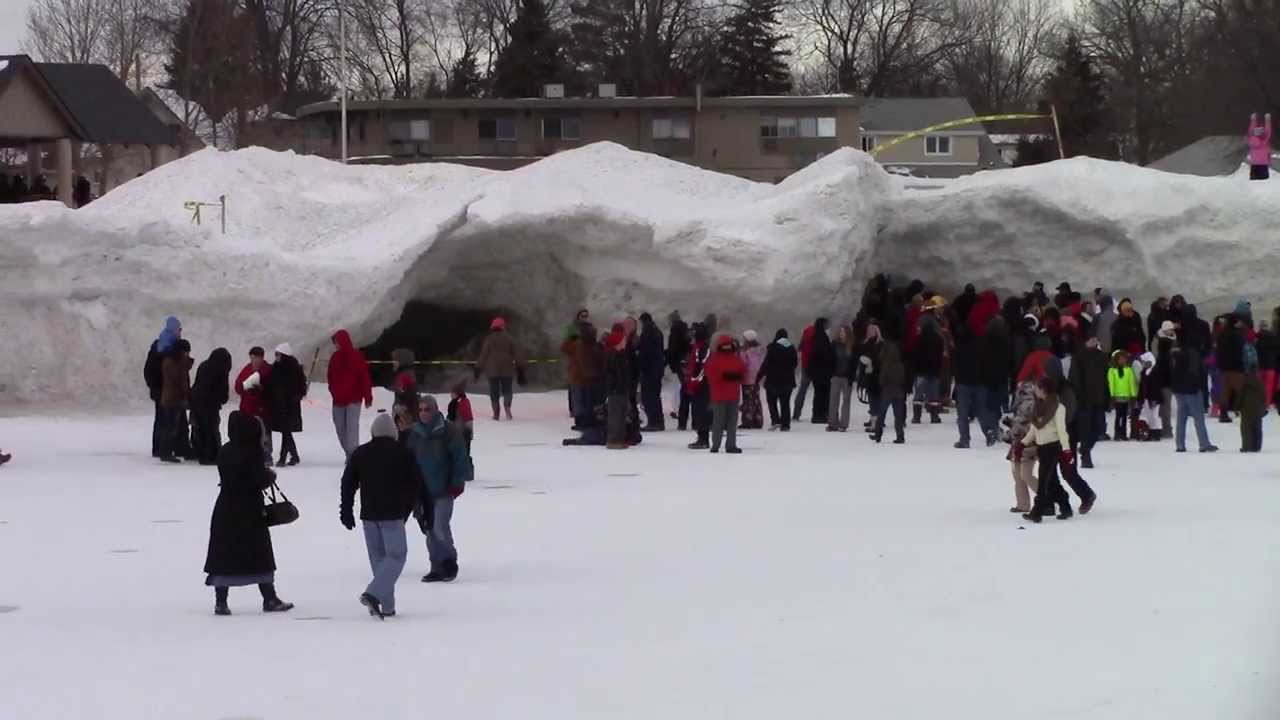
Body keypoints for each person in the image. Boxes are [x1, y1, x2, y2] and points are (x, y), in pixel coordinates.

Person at [203, 411, 294, 616]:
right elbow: (259, 478)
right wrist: (270, 475)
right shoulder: (253, 452)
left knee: (223, 554)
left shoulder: (225, 450)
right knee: (259, 553)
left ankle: (221, 602)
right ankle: (269, 598)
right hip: (249, 509)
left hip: (225, 508)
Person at [340, 412, 421, 619]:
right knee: (396, 556)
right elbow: (415, 484)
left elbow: (348, 483)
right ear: (393, 433)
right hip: (392, 514)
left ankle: (387, 606)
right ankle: (374, 594)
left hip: (369, 514)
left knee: (379, 559)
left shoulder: (361, 453)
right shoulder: (403, 453)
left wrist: (346, 510)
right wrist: (415, 509)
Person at [408, 396, 473, 583]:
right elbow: (408, 460)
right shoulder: (415, 433)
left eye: (427, 409)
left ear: (435, 410)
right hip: (423, 492)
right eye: (420, 410)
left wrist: (458, 481)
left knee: (440, 527)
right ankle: (436, 566)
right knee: (429, 530)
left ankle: (449, 561)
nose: (423, 413)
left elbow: (459, 456)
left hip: (444, 488)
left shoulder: (448, 430)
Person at [1020, 377, 1074, 523]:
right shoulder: (1039, 407)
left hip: (1053, 447)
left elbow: (1062, 431)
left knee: (1043, 480)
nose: (1035, 390)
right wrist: (1022, 443)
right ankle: (1065, 506)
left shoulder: (1058, 407)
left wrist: (1067, 450)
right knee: (1052, 481)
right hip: (1042, 448)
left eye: (1037, 387)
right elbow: (1034, 429)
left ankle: (1037, 512)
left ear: (1043, 389)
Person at [327, 329, 374, 460]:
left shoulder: (357, 356)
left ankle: (353, 457)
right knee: (340, 429)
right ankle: (350, 453)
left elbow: (364, 377)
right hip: (338, 400)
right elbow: (330, 376)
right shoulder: (334, 357)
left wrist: (368, 396)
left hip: (354, 399)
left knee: (352, 429)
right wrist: (333, 390)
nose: (335, 345)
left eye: (336, 341)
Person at [145, 316, 183, 457]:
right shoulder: (170, 347)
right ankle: (164, 449)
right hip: (165, 390)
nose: (180, 332)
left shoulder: (159, 344)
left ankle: (159, 447)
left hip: (159, 389)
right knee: (167, 420)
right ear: (173, 330)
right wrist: (158, 387)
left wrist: (153, 387)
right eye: (178, 329)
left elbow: (147, 370)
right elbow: (154, 371)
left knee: (161, 419)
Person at [1170, 341, 1218, 453]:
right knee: (1198, 417)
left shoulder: (1175, 354)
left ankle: (1180, 444)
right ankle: (1204, 443)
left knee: (1181, 417)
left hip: (1178, 389)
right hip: (1192, 389)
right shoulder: (1194, 354)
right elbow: (1197, 373)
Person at [1069, 337, 1109, 467]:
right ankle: (1086, 456)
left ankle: (1085, 449)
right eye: (1090, 339)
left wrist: (1107, 397)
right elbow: (1074, 378)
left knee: (1099, 429)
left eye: (1095, 340)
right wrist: (1077, 396)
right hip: (1083, 399)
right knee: (1085, 429)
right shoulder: (1078, 357)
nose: (1093, 342)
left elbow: (1106, 378)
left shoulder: (1103, 357)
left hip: (1099, 398)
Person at [267, 343, 308, 467]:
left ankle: (283, 457)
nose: (276, 357)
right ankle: (294, 456)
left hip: (290, 405)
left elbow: (301, 388)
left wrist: (294, 398)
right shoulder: (276, 368)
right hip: (279, 405)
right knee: (286, 431)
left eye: (278, 354)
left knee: (286, 431)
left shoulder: (294, 369)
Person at [190, 347, 233, 465]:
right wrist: (222, 399)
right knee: (211, 430)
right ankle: (212, 455)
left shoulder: (204, 366)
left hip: (196, 402)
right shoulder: (221, 370)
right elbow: (222, 391)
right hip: (210, 405)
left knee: (200, 428)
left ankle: (201, 453)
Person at [705, 334, 746, 453]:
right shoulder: (736, 359)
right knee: (731, 423)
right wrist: (733, 377)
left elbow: (711, 376)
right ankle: (730, 445)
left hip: (719, 396)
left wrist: (724, 377)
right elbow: (743, 375)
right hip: (733, 395)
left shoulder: (713, 360)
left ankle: (715, 445)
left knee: (718, 422)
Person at [475, 317, 521, 421]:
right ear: (503, 326)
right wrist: (520, 368)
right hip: (507, 369)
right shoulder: (510, 339)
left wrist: (478, 368)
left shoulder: (489, 339)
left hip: (492, 370)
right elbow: (517, 354)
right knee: (507, 390)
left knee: (494, 392)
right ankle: (508, 410)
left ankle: (496, 414)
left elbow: (484, 355)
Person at [1003, 380, 1038, 514]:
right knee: (1019, 475)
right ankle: (1023, 504)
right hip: (1021, 445)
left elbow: (1021, 427)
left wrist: (1006, 434)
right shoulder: (1027, 404)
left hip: (1027, 447)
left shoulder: (1026, 405)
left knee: (1025, 475)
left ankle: (1047, 496)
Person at [234, 347, 273, 464]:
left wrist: (260, 389)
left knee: (264, 434)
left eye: (256, 358)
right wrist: (246, 387)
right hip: (247, 408)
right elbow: (238, 386)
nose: (254, 360)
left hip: (262, 408)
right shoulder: (247, 369)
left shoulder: (267, 370)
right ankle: (251, 456)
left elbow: (271, 389)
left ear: (262, 358)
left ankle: (266, 456)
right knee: (249, 434)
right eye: (252, 358)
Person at [158, 339, 194, 463]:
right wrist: (187, 396)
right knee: (170, 427)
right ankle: (166, 452)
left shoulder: (172, 361)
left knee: (175, 426)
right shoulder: (174, 363)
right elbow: (180, 381)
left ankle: (171, 450)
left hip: (171, 398)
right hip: (174, 399)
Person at [951, 318, 982, 448]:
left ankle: (964, 439)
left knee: (962, 414)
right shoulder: (979, 347)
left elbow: (955, 367)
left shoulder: (958, 349)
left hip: (963, 383)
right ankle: (990, 433)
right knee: (982, 411)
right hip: (978, 382)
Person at [760, 329, 798, 431]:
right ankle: (785, 424)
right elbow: (795, 363)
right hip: (788, 381)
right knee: (785, 403)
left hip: (773, 380)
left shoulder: (772, 347)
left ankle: (776, 420)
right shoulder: (791, 348)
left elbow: (766, 364)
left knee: (771, 401)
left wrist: (759, 376)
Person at [872, 336, 907, 444]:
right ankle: (900, 436)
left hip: (887, 391)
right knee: (898, 416)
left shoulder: (886, 365)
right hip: (898, 392)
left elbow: (882, 380)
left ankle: (878, 434)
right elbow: (903, 379)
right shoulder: (901, 365)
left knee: (881, 414)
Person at [912, 313, 945, 424]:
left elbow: (915, 355)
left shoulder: (918, 339)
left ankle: (917, 417)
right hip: (934, 370)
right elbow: (940, 356)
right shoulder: (938, 339)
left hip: (921, 370)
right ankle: (934, 416)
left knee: (918, 395)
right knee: (934, 395)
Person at [603, 324, 632, 449]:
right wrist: (615, 387)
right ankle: (614, 440)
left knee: (620, 415)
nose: (625, 342)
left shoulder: (620, 354)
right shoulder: (614, 355)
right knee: (616, 416)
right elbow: (613, 374)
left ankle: (619, 438)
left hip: (620, 389)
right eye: (623, 340)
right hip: (616, 390)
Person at [685, 323, 714, 449]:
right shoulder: (704, 348)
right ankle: (702, 437)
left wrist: (693, 380)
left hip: (701, 384)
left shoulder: (700, 349)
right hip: (702, 382)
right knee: (701, 410)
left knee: (700, 410)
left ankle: (703, 439)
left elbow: (699, 367)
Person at [637, 313, 666, 431]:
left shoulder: (648, 332)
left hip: (650, 369)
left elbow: (645, 351)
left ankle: (654, 422)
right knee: (655, 396)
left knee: (649, 396)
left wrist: (640, 365)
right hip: (656, 368)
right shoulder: (657, 331)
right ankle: (658, 421)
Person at [825, 325, 857, 432]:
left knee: (846, 401)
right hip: (835, 375)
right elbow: (829, 359)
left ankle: (843, 424)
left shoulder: (852, 346)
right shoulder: (834, 344)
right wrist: (830, 373)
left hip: (847, 377)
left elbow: (854, 363)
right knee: (833, 400)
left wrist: (852, 376)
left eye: (843, 332)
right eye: (840, 331)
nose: (841, 333)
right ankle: (832, 423)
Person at [808, 318, 835, 425]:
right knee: (823, 393)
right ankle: (821, 414)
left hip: (817, 371)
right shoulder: (822, 338)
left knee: (818, 393)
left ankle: (817, 414)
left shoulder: (816, 337)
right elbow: (823, 354)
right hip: (823, 371)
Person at [1107, 350, 1139, 440]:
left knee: (1125, 416)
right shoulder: (1112, 370)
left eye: (1124, 359)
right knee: (1118, 416)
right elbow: (1111, 383)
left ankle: (1123, 434)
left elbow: (1131, 383)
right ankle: (1117, 433)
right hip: (1117, 397)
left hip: (1126, 396)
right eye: (1120, 359)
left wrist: (1133, 395)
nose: (1122, 361)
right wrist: (1112, 395)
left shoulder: (1128, 370)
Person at [738, 330, 767, 430]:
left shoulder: (745, 352)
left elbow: (743, 364)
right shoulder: (760, 350)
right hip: (757, 378)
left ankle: (747, 421)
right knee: (756, 399)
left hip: (747, 378)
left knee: (748, 400)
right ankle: (758, 420)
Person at [667, 312, 691, 426]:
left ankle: (677, 412)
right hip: (685, 362)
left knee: (679, 389)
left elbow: (673, 348)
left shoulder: (675, 331)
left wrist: (671, 361)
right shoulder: (685, 330)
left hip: (678, 362)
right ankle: (681, 413)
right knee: (682, 388)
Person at [389, 348, 419, 437]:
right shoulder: (408, 373)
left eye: (395, 361)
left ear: (402, 361)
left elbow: (405, 395)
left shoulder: (404, 376)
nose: (393, 363)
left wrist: (399, 409)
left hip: (405, 416)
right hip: (409, 414)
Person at [792, 321, 817, 421]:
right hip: (816, 367)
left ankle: (796, 414)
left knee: (802, 390)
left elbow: (800, 351)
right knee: (820, 391)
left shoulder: (805, 337)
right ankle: (819, 413)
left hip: (805, 367)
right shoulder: (819, 337)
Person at [446, 380, 475, 456]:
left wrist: (470, 432)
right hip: (454, 434)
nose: (450, 394)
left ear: (456, 393)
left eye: (452, 393)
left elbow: (468, 419)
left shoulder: (462, 403)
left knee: (463, 455)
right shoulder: (454, 403)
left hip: (462, 434)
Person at [1239, 370, 1265, 452]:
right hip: (1257, 409)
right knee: (1257, 428)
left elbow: (1240, 396)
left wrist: (1237, 406)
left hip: (1246, 409)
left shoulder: (1244, 383)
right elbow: (1263, 396)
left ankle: (1246, 446)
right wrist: (1263, 408)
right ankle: (1257, 446)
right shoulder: (1260, 383)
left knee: (1246, 428)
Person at [1248, 113, 1273, 181]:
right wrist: (1267, 120)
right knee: (1263, 182)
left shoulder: (1251, 140)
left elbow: (1251, 130)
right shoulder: (1265, 140)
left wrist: (1253, 119)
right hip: (1262, 164)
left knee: (1257, 183)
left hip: (1256, 164)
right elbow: (1268, 131)